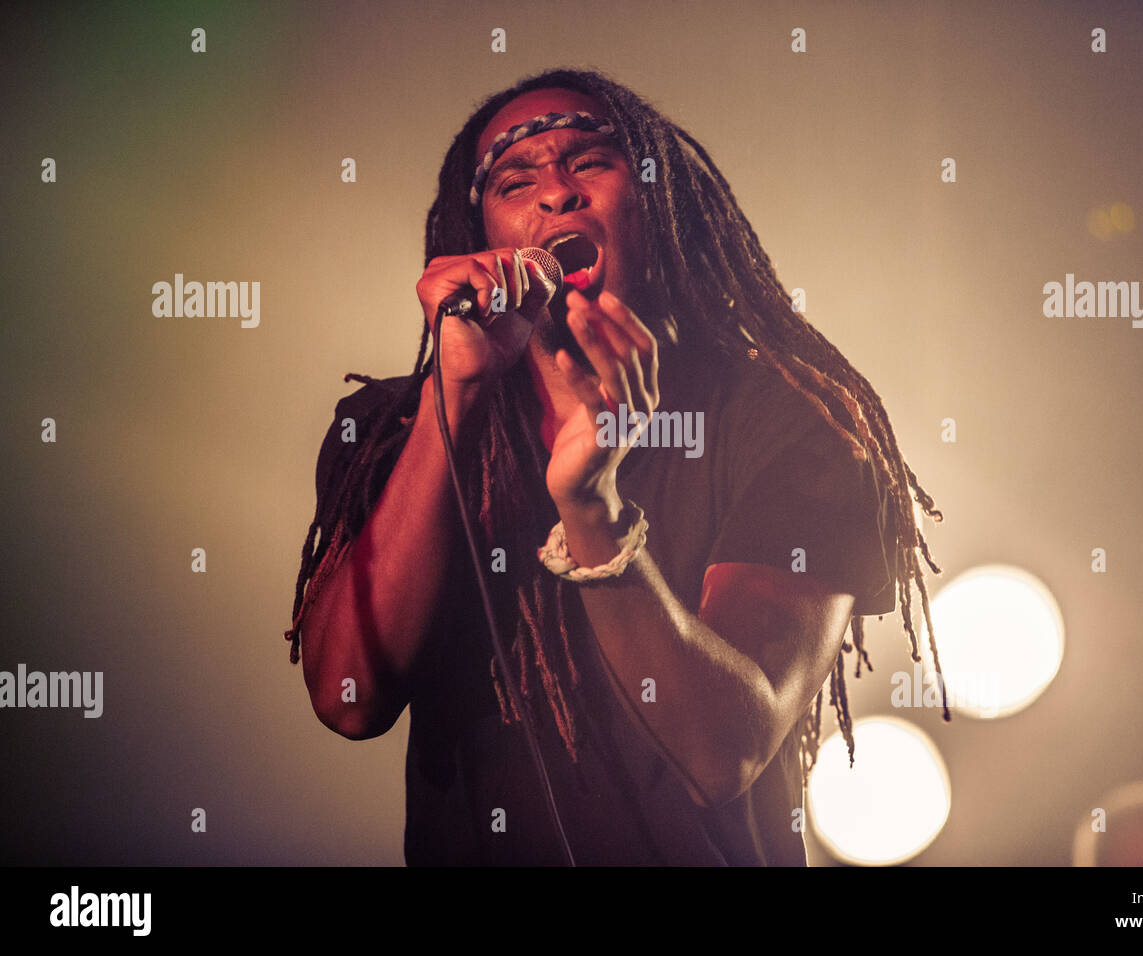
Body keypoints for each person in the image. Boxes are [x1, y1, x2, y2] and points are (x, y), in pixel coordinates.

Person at [284, 68, 948, 865]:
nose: (555, 195)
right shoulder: (392, 429)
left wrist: (590, 506)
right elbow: (349, 699)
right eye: (515, 180)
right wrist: (451, 399)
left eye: (590, 163)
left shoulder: (791, 424)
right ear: (480, 238)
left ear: (658, 207)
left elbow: (721, 755)